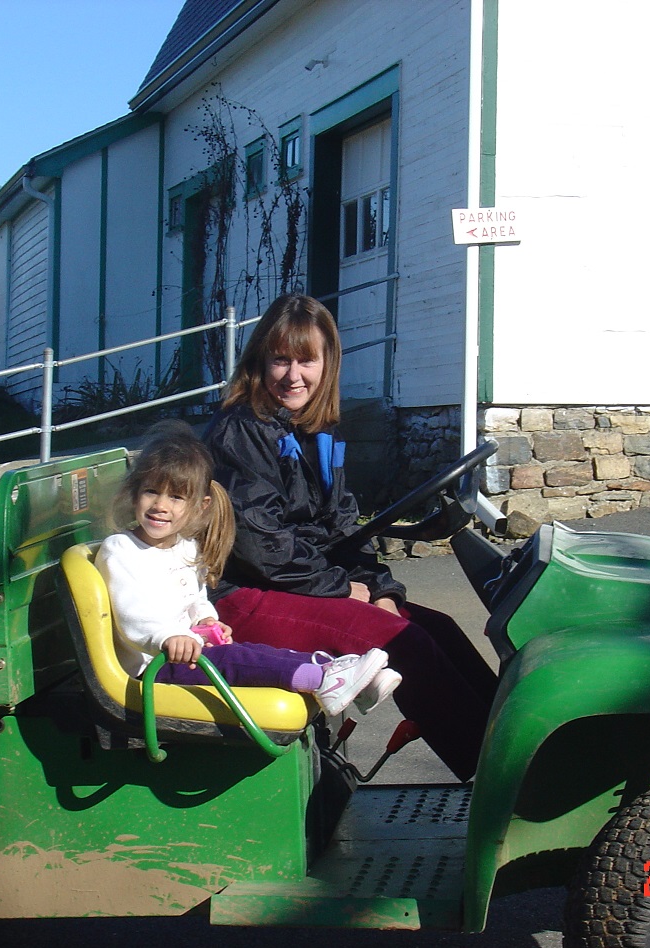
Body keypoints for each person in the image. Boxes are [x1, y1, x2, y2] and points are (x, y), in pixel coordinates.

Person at [204, 294, 500, 781]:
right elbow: (261, 546)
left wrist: (380, 590)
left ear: (327, 363)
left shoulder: (311, 433)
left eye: (307, 359)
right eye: (281, 359)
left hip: (295, 586)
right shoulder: (242, 432)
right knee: (404, 645)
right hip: (241, 597)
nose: (293, 375)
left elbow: (343, 527)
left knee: (437, 627)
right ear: (260, 362)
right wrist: (344, 590)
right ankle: (498, 781)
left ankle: (512, 751)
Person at [96, 421, 398, 718]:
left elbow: (195, 596)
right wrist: (168, 636)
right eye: (151, 492)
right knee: (237, 659)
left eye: (175, 497)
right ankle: (322, 681)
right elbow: (131, 613)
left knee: (260, 651)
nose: (160, 505)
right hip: (154, 665)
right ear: (135, 494)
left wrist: (205, 619)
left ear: (199, 507)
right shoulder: (122, 549)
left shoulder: (184, 546)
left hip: (185, 652)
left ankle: (336, 676)